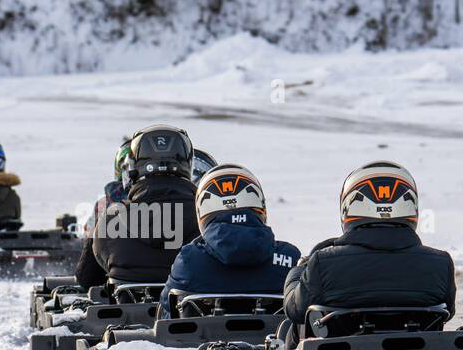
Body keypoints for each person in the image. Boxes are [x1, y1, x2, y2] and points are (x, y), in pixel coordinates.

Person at [283, 161, 456, 330]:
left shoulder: (322, 262)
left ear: (348, 207)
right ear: (411, 208)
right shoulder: (441, 263)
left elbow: (295, 311)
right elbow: (448, 312)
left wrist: (298, 271)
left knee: (288, 330)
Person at [158, 164, 300, 318]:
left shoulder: (188, 260)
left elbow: (166, 316)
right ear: (259, 205)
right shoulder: (290, 257)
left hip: (201, 340)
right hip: (274, 340)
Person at [74, 123, 201, 288]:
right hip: (192, 310)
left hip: (125, 310)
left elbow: (87, 279)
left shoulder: (111, 217)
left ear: (133, 167)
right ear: (188, 164)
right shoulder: (206, 215)